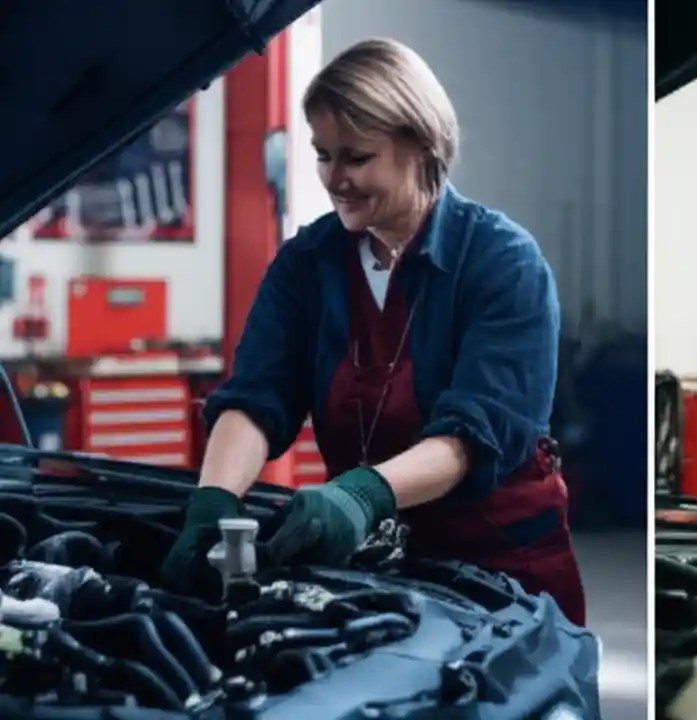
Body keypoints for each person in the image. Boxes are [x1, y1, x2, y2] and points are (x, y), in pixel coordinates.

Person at [158, 38, 586, 625]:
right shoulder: (306, 263)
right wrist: (213, 501)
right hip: (369, 563)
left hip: (503, 567)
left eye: (356, 157)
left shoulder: (502, 262)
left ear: (420, 144)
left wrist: (360, 495)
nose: (334, 179)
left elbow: (475, 432)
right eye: (322, 154)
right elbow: (256, 396)